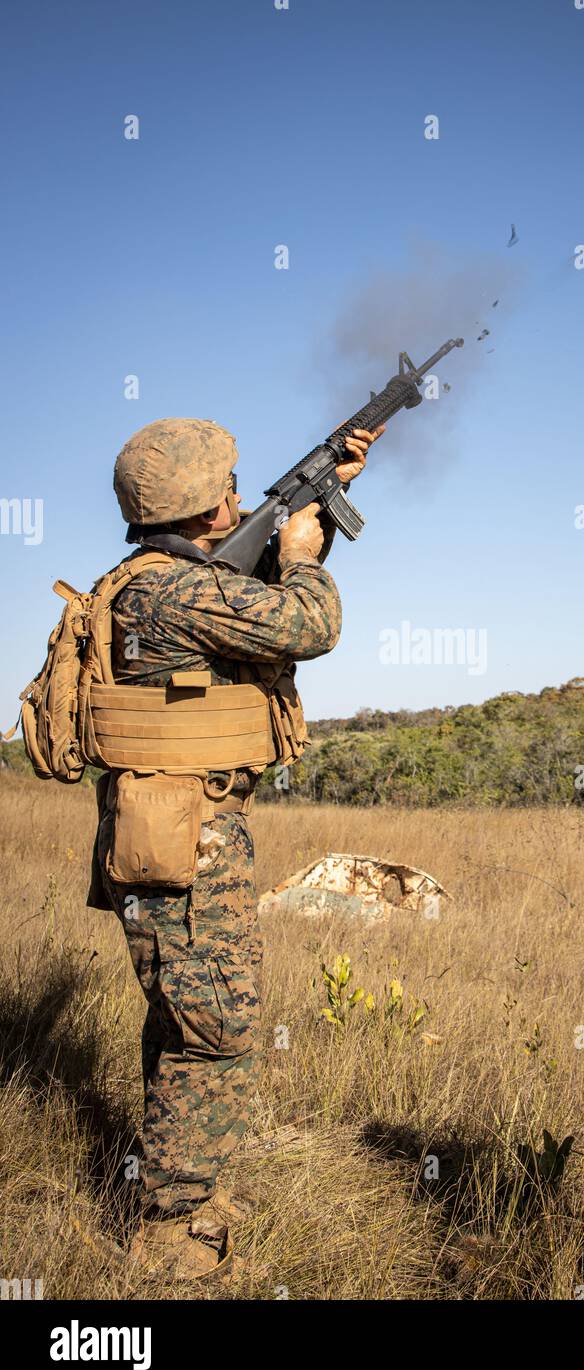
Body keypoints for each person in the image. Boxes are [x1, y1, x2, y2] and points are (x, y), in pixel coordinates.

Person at [89, 416, 382, 1279]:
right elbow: (307, 623)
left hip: (175, 828)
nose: (235, 496)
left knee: (186, 1017)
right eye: (228, 486)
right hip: (184, 839)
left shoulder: (151, 580)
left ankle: (182, 1189)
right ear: (205, 504)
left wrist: (334, 490)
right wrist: (301, 551)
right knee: (214, 1023)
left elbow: (243, 608)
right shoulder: (170, 593)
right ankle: (171, 1233)